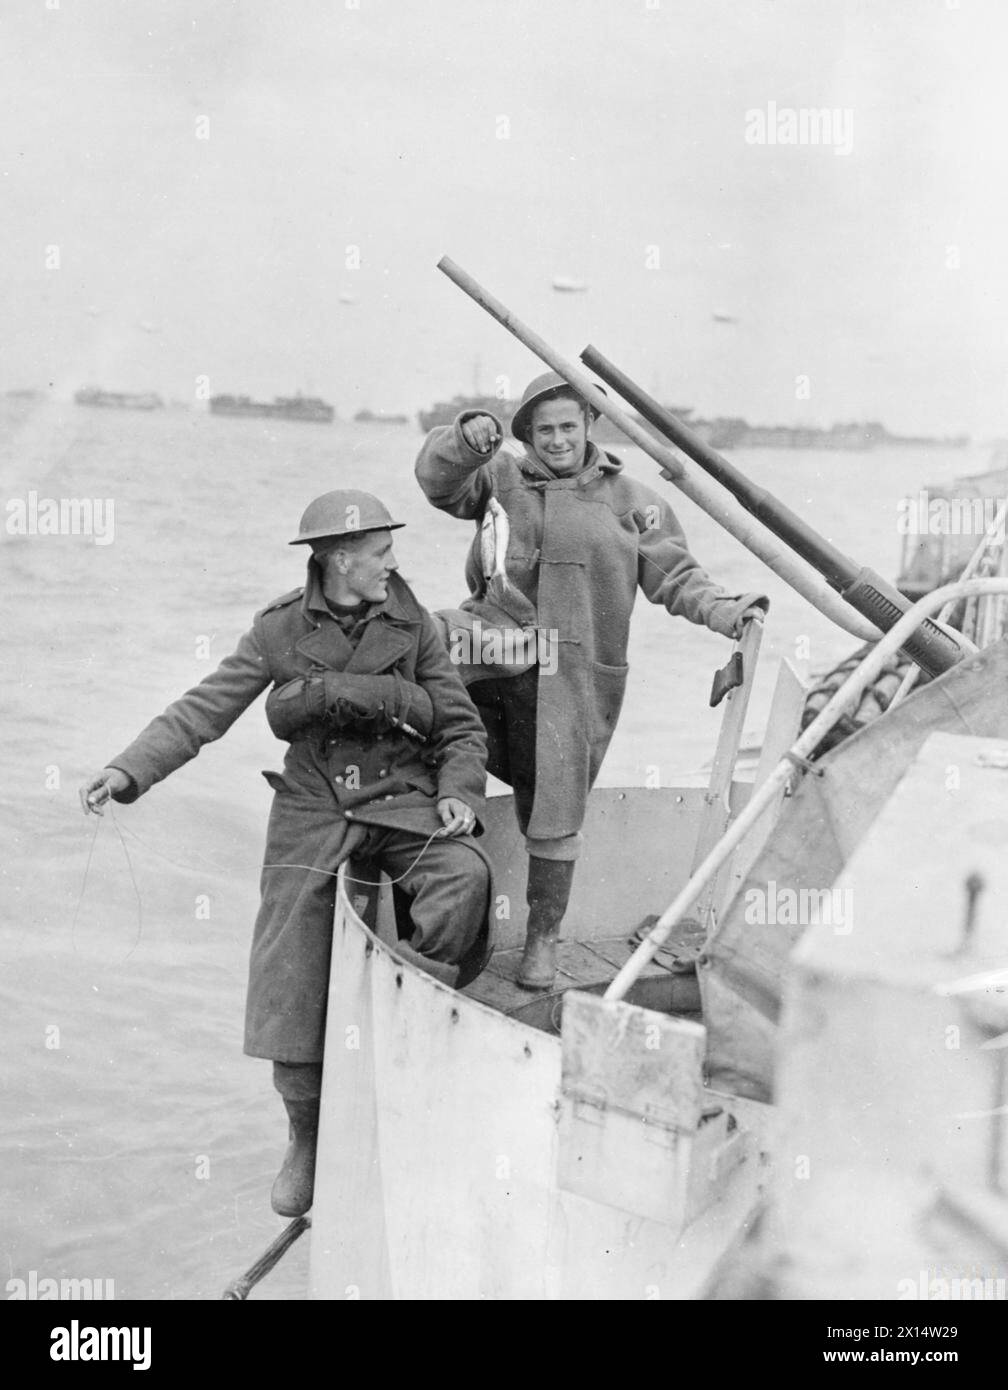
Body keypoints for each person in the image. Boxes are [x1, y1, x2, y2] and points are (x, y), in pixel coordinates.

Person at [78, 490, 491, 1218]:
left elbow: (461, 725)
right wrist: (127, 770)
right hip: (316, 799)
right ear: (338, 561)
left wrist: (459, 790)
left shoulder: (414, 623)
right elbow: (206, 708)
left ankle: (410, 1033)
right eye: (381, 555)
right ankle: (304, 1133)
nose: (393, 566)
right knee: (287, 945)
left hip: (402, 791)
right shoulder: (278, 630)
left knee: (462, 880)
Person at [415, 371, 769, 990]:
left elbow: (677, 577)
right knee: (419, 678)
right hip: (490, 646)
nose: (557, 440)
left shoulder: (631, 499)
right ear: (525, 436)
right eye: (544, 430)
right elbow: (438, 483)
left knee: (555, 806)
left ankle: (543, 940)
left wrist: (725, 610)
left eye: (567, 427)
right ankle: (432, 876)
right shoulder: (497, 480)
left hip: (572, 676)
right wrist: (466, 441)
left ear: (588, 428)